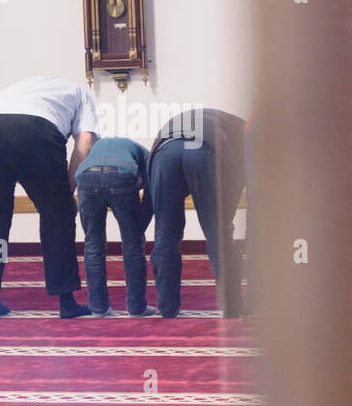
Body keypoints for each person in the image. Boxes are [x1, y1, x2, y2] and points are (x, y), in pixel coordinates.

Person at [0, 76, 98, 319]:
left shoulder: (14, 91)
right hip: (34, 128)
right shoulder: (79, 93)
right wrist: (66, 193)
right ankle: (66, 299)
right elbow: (85, 144)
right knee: (57, 216)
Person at [149, 108, 247, 318]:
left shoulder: (219, 120)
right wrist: (225, 217)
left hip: (165, 151)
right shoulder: (245, 131)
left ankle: (167, 309)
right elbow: (241, 177)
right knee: (218, 235)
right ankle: (233, 308)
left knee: (165, 236)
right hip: (203, 150)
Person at [75, 136, 154, 317]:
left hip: (85, 178)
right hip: (121, 175)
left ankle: (99, 309)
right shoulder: (147, 158)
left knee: (93, 244)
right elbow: (150, 195)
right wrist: (139, 227)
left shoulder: (103, 146)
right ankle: (137, 308)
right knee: (133, 244)